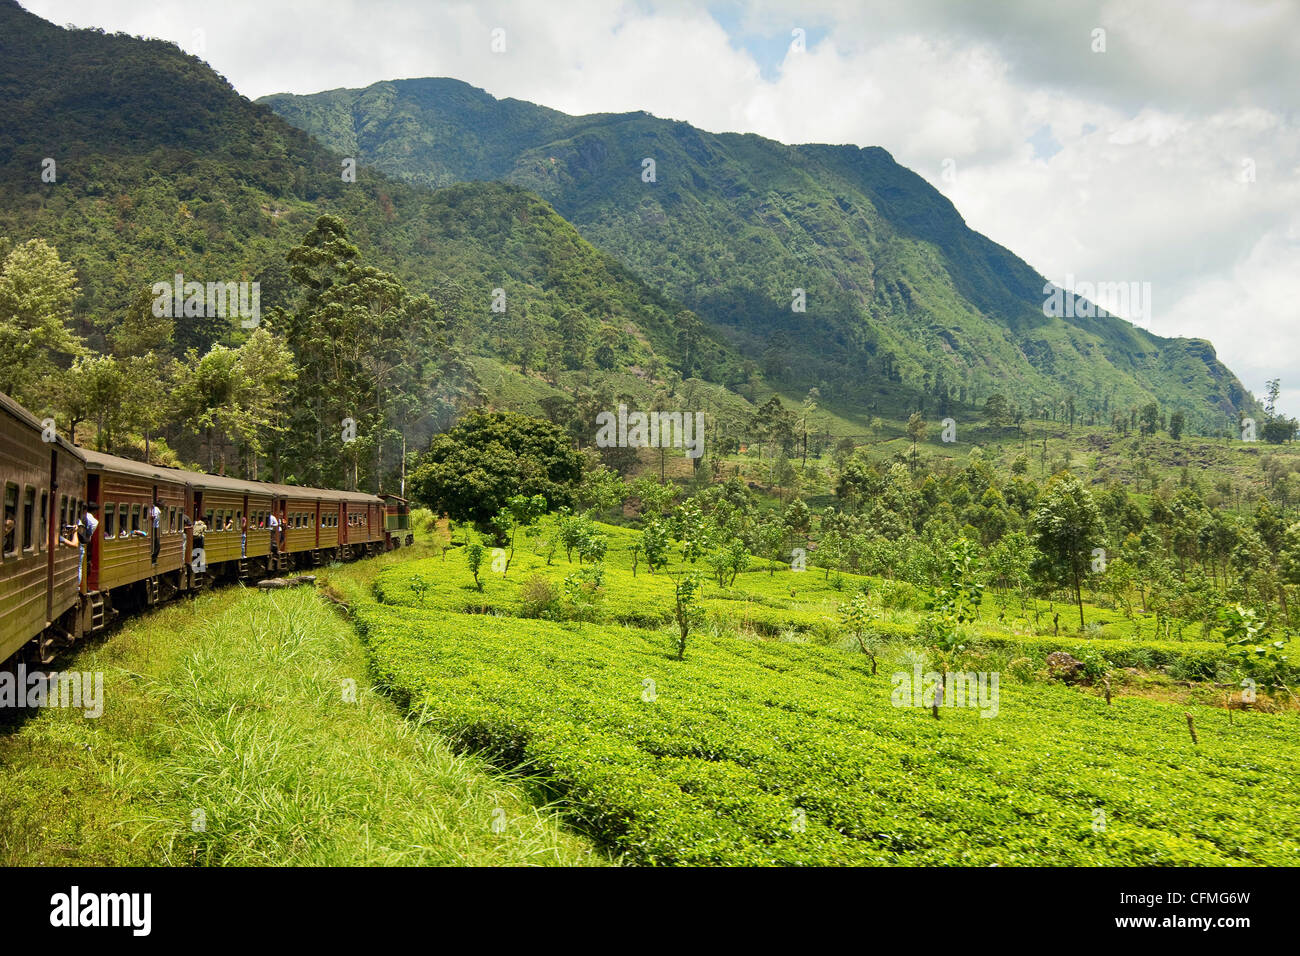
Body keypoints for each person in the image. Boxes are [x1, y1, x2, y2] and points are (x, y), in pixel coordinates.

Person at [149, 499, 162, 564]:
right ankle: (153, 559)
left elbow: (155, 517)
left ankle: (154, 558)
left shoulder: (155, 509)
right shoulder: (154, 509)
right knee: (157, 545)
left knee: (157, 545)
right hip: (152, 528)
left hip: (155, 528)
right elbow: (152, 517)